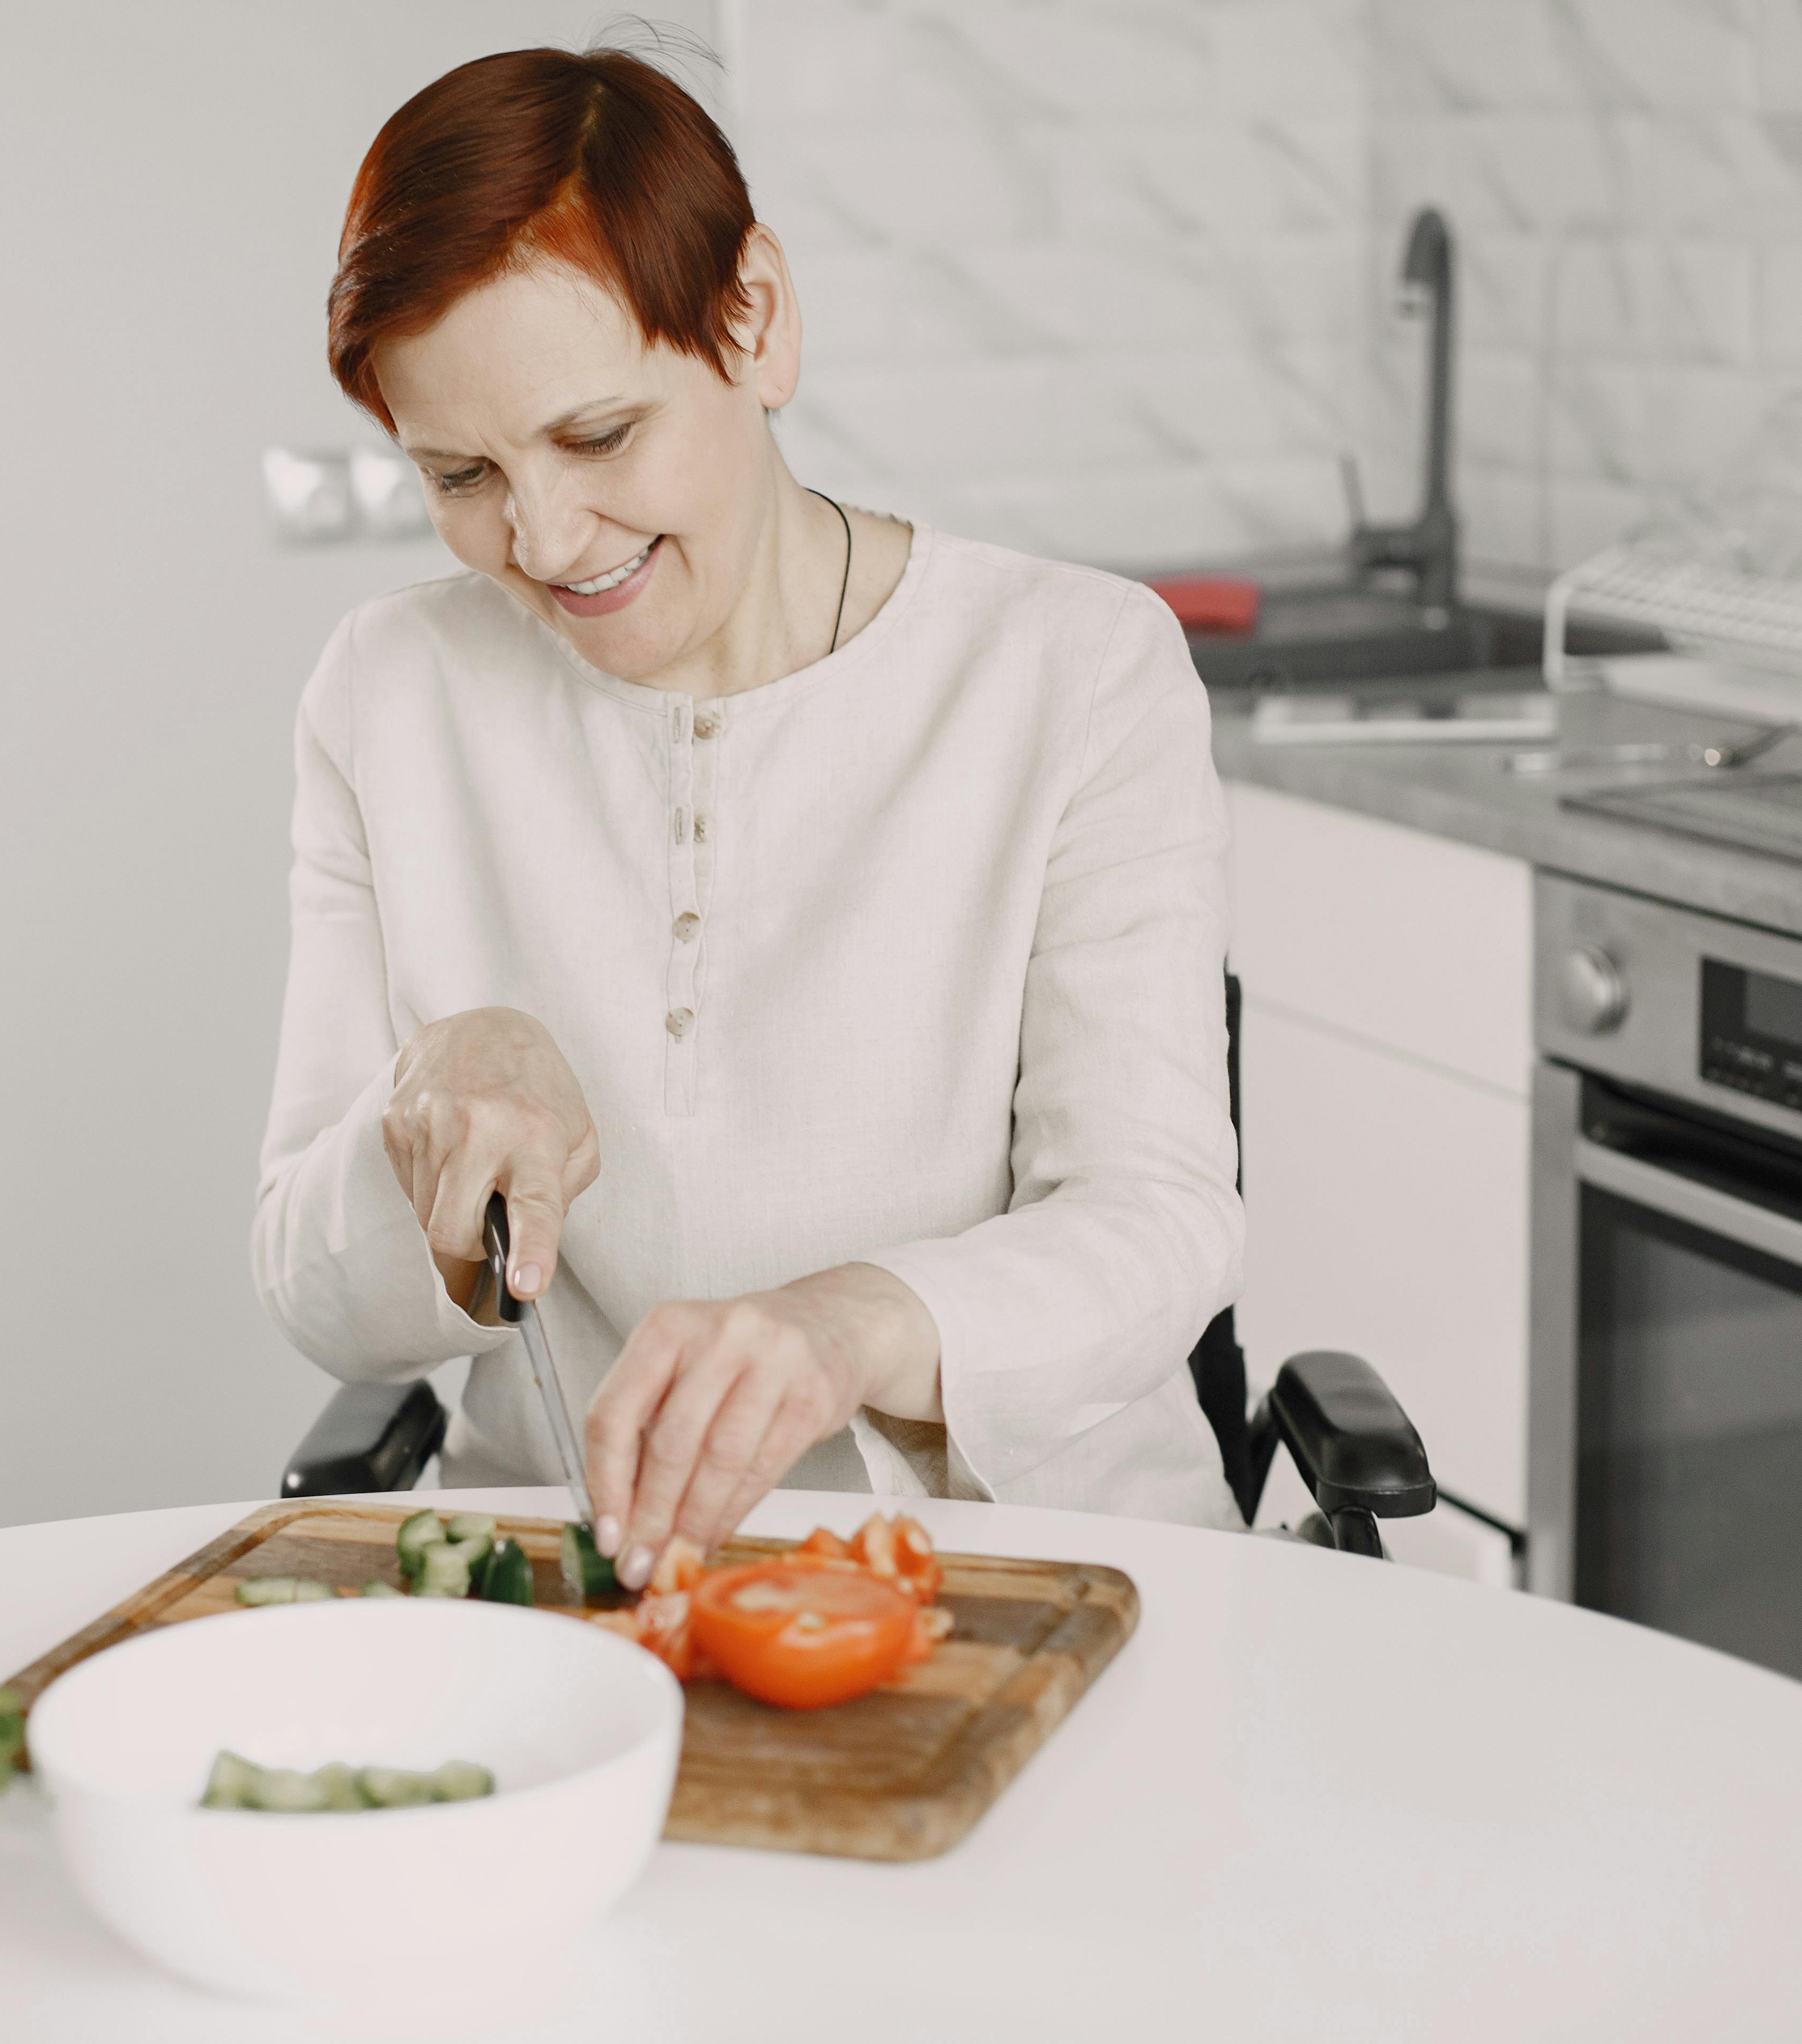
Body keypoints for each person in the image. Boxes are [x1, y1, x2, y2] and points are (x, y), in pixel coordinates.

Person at [252, 45, 1241, 1589]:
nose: (544, 539)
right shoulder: (393, 692)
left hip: (1045, 1572)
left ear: (755, 320)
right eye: (460, 474)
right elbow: (317, 1294)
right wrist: (425, 1099)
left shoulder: (1074, 669)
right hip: (603, 1581)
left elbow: (1156, 1219)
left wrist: (849, 1325)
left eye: (597, 438)